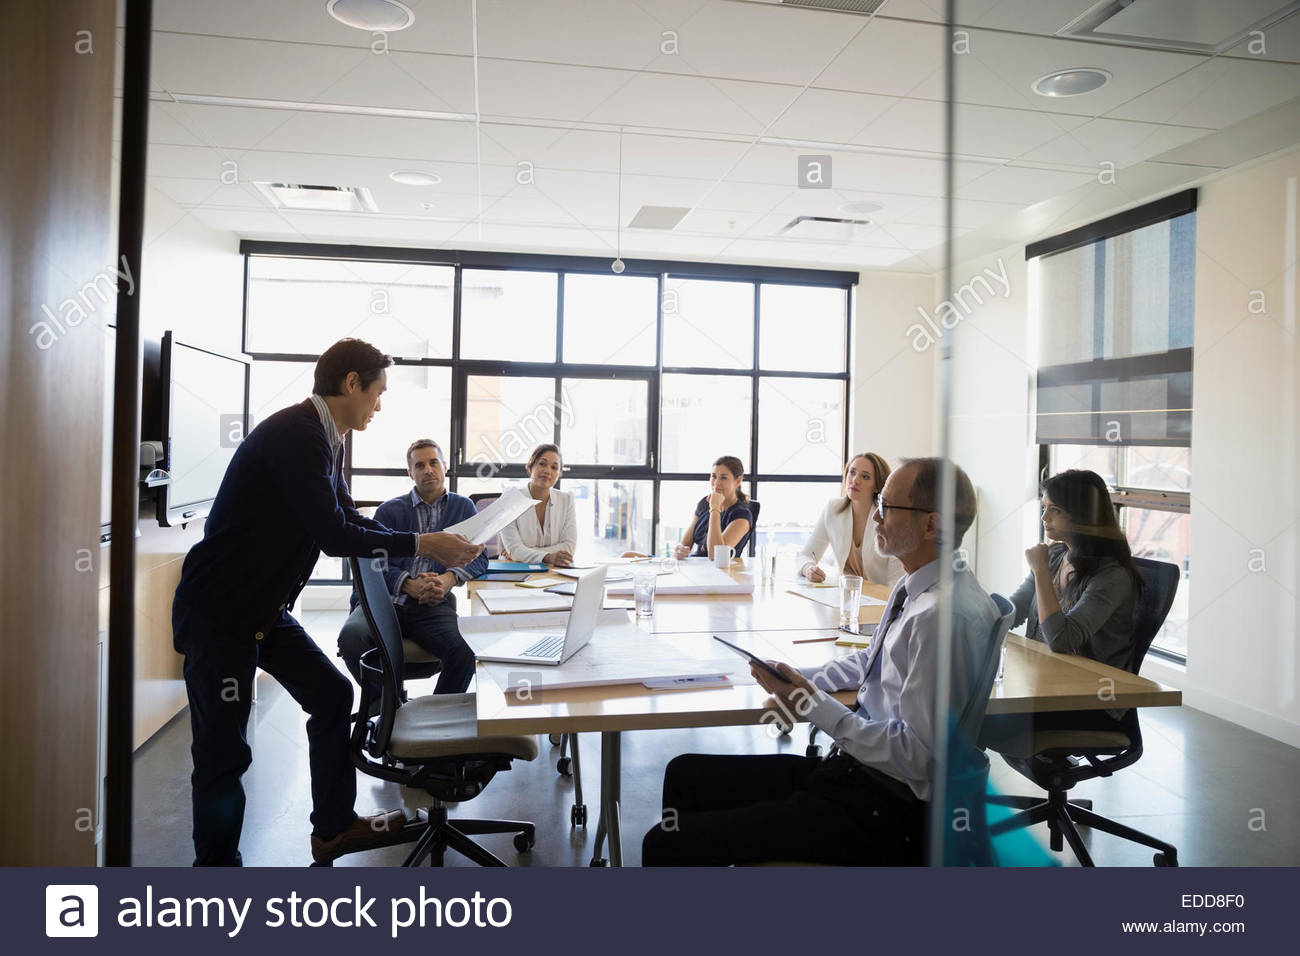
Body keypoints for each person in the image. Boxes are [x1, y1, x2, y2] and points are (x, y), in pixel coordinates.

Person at [171, 338, 483, 867]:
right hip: (220, 613)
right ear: (352, 383)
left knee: (333, 695)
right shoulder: (299, 435)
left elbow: (351, 519)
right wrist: (424, 543)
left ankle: (334, 828)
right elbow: (334, 535)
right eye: (377, 393)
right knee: (224, 756)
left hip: (262, 613)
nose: (378, 406)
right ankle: (216, 871)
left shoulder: (325, 437)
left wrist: (419, 544)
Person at [641, 458, 1000, 866]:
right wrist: (798, 680)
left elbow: (917, 755)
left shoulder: (942, 616)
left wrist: (812, 705)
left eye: (888, 507)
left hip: (885, 809)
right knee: (685, 775)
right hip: (854, 771)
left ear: (931, 526)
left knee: (663, 843)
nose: (876, 517)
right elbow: (870, 661)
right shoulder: (915, 586)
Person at [337, 439, 488, 698]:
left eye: (433, 462)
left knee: (466, 649)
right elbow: (373, 562)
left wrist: (447, 580)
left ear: (445, 467)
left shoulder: (463, 508)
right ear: (410, 473)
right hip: (384, 601)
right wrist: (408, 583)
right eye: (419, 465)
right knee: (352, 638)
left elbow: (480, 557)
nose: (428, 469)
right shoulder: (389, 510)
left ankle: (436, 720)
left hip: (431, 605)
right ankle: (385, 707)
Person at [1002, 468, 1142, 729]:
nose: (1044, 517)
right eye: (1044, 507)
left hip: (1090, 702)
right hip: (1047, 682)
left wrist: (1040, 571)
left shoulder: (1112, 575)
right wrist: (971, 612)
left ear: (1082, 515)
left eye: (1055, 510)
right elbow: (1015, 610)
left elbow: (1061, 640)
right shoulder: (1055, 555)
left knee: (970, 713)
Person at [797, 452, 904, 587]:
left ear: (877, 486)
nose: (855, 480)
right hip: (843, 595)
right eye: (852, 473)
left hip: (880, 599)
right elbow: (805, 555)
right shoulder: (833, 509)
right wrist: (808, 568)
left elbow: (898, 581)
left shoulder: (890, 519)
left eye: (865, 477)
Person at [499, 443, 577, 567]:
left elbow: (568, 548)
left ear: (558, 474)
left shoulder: (566, 500)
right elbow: (514, 549)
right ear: (531, 466)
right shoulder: (509, 501)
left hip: (553, 570)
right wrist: (548, 556)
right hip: (514, 569)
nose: (547, 471)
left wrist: (525, 553)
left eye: (554, 467)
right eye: (542, 464)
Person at [674, 455, 755, 560]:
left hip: (722, 572)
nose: (716, 483)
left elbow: (716, 556)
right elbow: (685, 544)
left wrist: (715, 508)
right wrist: (680, 551)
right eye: (714, 476)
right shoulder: (704, 503)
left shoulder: (742, 515)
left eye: (723, 477)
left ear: (738, 481)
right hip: (697, 568)